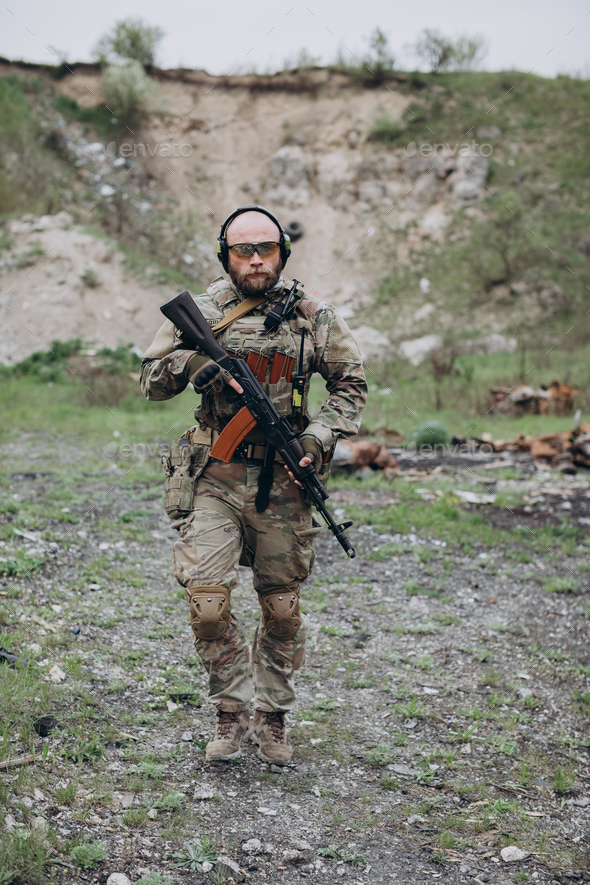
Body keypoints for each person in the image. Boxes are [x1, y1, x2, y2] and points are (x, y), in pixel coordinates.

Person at [140, 205, 367, 764]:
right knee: (208, 604)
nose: (257, 260)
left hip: (285, 479)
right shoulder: (201, 311)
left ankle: (273, 716)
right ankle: (230, 708)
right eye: (244, 250)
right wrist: (190, 366)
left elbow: (351, 385)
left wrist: (315, 437)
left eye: (266, 249)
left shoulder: (313, 316)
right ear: (227, 255)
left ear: (282, 253)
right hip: (213, 475)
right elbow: (149, 379)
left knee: (282, 609)